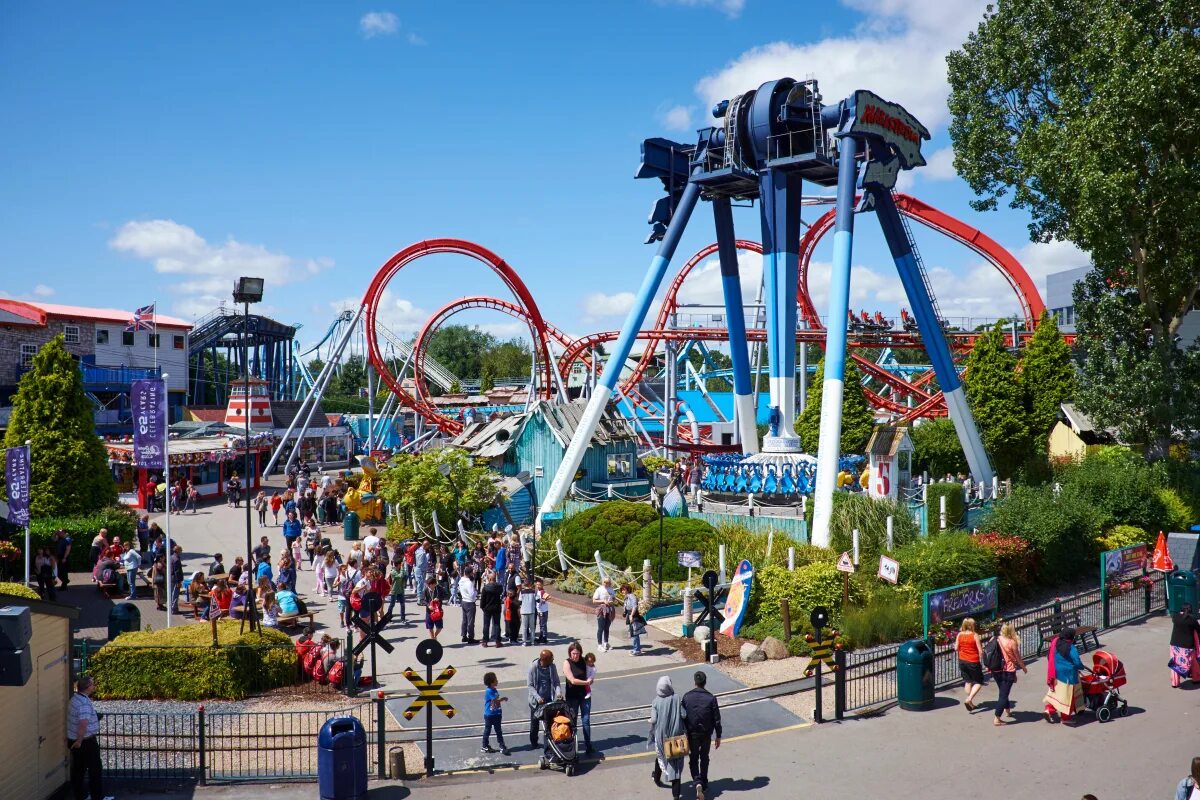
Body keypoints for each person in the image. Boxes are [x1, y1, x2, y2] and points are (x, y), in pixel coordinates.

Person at [68, 675, 111, 800]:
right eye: (92, 684)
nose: (94, 686)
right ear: (87, 687)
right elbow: (83, 724)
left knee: (79, 770)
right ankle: (97, 796)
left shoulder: (75, 699)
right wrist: (80, 741)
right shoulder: (84, 704)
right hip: (85, 741)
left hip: (74, 740)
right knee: (95, 769)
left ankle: (80, 796)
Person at [681, 670, 721, 799]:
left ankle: (697, 782)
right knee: (704, 757)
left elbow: (683, 716)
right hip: (706, 734)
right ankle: (704, 782)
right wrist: (718, 735)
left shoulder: (686, 697)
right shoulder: (711, 698)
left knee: (693, 758)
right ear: (705, 682)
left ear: (695, 682)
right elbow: (717, 719)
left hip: (692, 733)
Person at [649, 675, 688, 800]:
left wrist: (649, 720)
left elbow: (654, 719)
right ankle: (676, 795)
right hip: (677, 737)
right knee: (675, 762)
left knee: (661, 757)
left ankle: (656, 778)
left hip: (662, 737)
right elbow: (684, 714)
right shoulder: (677, 698)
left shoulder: (655, 701)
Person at [1043, 627, 1087, 725]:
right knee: (1068, 698)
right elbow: (1077, 661)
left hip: (1056, 673)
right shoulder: (1071, 647)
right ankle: (1065, 718)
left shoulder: (1056, 641)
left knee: (1057, 695)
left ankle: (1049, 709)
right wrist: (1081, 667)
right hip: (1069, 675)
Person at [991, 622, 1027, 726]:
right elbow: (1017, 658)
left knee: (1003, 691)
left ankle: (1007, 710)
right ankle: (997, 718)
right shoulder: (1012, 642)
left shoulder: (996, 639)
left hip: (996, 669)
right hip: (1008, 670)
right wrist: (1024, 668)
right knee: (1003, 694)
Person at [562, 641, 593, 753]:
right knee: (572, 721)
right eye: (573, 653)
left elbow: (591, 671)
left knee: (586, 721)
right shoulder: (567, 663)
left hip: (584, 696)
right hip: (572, 697)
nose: (575, 655)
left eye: (577, 653)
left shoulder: (584, 661)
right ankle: (571, 745)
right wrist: (587, 682)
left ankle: (588, 745)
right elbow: (572, 680)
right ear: (570, 653)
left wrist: (591, 679)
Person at [526, 649, 561, 748]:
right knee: (534, 725)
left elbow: (556, 682)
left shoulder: (552, 667)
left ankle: (549, 743)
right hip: (536, 702)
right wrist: (538, 698)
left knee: (549, 723)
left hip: (548, 700)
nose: (552, 661)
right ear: (544, 660)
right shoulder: (533, 667)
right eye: (551, 659)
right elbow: (530, 685)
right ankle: (534, 742)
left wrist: (558, 693)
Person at [955, 617, 986, 711]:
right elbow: (980, 651)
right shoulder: (974, 635)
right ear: (972, 625)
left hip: (962, 660)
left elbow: (956, 648)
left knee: (968, 681)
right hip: (973, 661)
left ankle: (970, 702)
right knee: (979, 682)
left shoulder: (959, 634)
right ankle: (969, 699)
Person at [480, 671, 510, 756]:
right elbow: (495, 700)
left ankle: (502, 745)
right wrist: (503, 699)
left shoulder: (494, 689)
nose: (497, 681)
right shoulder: (489, 691)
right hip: (490, 715)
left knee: (498, 730)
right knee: (487, 730)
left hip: (497, 713)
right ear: (492, 682)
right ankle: (485, 746)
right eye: (496, 680)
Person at [1170, 603, 1200, 687]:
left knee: (1174, 663)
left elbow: (1177, 618)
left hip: (1175, 645)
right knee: (1193, 662)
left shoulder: (1175, 617)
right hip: (1188, 646)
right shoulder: (1192, 620)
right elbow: (1198, 629)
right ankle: (1196, 678)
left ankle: (1175, 683)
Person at [593, 577, 616, 652]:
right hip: (601, 610)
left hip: (609, 610)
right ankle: (599, 645)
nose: (606, 584)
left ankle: (606, 643)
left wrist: (612, 602)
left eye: (608, 582)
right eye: (605, 582)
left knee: (607, 628)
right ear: (602, 582)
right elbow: (594, 601)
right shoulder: (599, 589)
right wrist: (603, 601)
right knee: (601, 628)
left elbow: (614, 599)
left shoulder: (611, 590)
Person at [480, 569, 503, 647]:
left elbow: (482, 599)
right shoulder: (499, 587)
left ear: (489, 579)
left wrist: (482, 607)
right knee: (497, 624)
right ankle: (497, 641)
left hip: (487, 608)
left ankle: (485, 641)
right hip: (496, 607)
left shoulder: (485, 588)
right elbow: (501, 591)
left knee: (486, 625)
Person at [459, 565, 478, 643]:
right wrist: (476, 592)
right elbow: (472, 594)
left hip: (464, 601)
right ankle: (471, 637)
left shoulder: (461, 580)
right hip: (470, 602)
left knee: (464, 620)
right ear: (470, 573)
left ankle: (464, 636)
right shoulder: (469, 583)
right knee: (470, 621)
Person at [623, 583, 643, 655]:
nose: (622, 591)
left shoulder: (632, 596)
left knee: (635, 633)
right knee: (632, 632)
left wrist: (631, 615)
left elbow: (634, 606)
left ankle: (637, 650)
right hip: (630, 614)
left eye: (624, 589)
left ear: (628, 590)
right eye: (622, 589)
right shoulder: (627, 597)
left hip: (634, 615)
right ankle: (636, 648)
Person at [423, 576, 444, 640]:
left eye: (431, 585)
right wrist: (428, 605)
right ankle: (433, 640)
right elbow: (423, 600)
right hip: (429, 611)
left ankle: (435, 635)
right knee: (430, 627)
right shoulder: (426, 590)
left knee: (439, 627)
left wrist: (439, 598)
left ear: (434, 584)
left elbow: (445, 595)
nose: (429, 586)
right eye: (428, 585)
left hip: (438, 610)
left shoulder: (439, 588)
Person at [520, 580, 537, 646]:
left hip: (524, 611)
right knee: (532, 627)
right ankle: (532, 641)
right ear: (530, 584)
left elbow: (520, 601)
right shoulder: (533, 591)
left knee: (524, 627)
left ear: (524, 585)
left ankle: (524, 642)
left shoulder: (522, 592)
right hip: (531, 611)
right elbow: (537, 600)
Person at [535, 578, 550, 644]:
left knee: (543, 624)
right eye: (537, 584)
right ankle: (541, 637)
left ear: (542, 585)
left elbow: (547, 598)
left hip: (543, 610)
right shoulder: (537, 591)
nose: (538, 586)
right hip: (539, 610)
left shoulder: (542, 591)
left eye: (539, 585)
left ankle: (544, 638)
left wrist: (543, 600)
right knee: (541, 624)